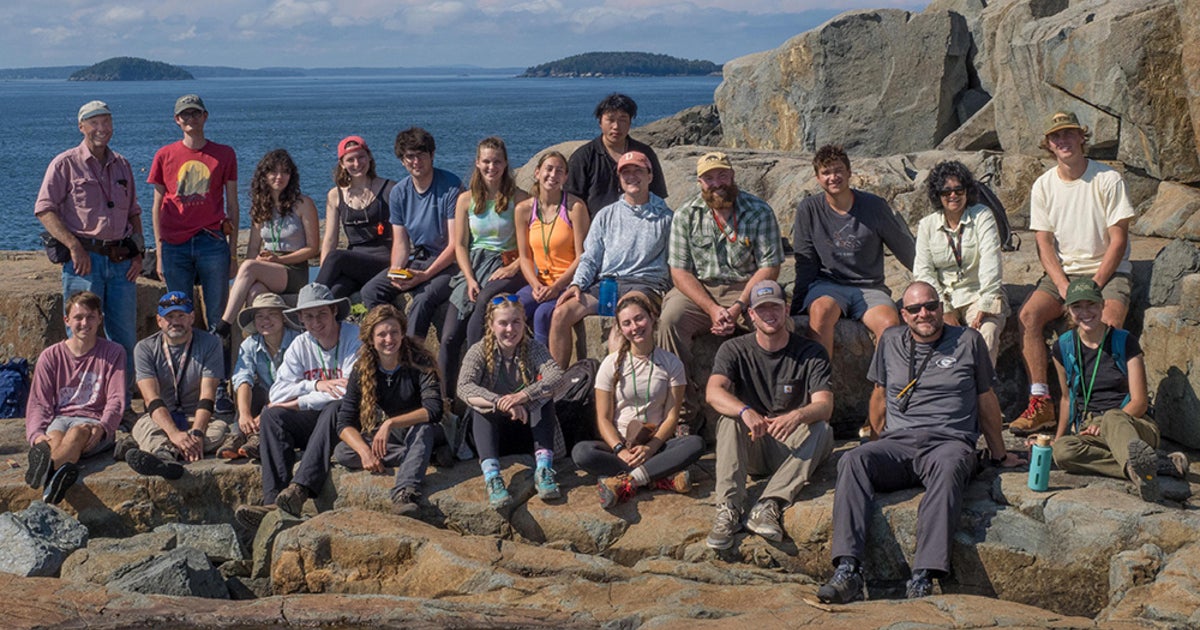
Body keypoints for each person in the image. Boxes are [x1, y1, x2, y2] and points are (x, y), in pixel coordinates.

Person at [817, 281, 1022, 604]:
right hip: (899, 442)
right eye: (914, 309)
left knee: (949, 466)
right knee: (853, 461)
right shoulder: (890, 340)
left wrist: (999, 454)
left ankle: (923, 574)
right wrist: (874, 443)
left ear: (941, 308)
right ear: (903, 314)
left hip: (949, 441)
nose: (923, 313)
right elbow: (880, 396)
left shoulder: (968, 341)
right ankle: (848, 569)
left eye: (930, 306)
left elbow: (986, 399)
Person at [1012, 111, 1137, 436]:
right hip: (1064, 276)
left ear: (1082, 137)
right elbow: (1043, 243)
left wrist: (1092, 288)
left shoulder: (1107, 179)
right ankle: (1041, 402)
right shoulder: (1043, 185)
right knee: (1028, 316)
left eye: (1069, 133)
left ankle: (1106, 411)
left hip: (1106, 274)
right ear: (1049, 145)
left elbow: (1119, 239)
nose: (1063, 141)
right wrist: (1064, 286)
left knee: (1107, 325)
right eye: (1056, 136)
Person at [274, 304, 446, 518]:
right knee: (344, 452)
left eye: (394, 332)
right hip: (395, 438)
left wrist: (390, 423)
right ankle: (424, 456)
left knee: (423, 431)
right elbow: (344, 421)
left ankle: (404, 492)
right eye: (381, 334)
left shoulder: (420, 361)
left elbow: (434, 410)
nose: (389, 339)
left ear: (402, 333)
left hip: (421, 427)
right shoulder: (364, 367)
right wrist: (365, 452)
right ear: (372, 340)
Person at [704, 280, 835, 550]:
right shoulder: (734, 349)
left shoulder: (811, 352)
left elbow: (825, 405)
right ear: (751, 314)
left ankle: (768, 504)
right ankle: (728, 508)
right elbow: (713, 392)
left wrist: (797, 416)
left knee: (823, 429)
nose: (769, 315)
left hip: (791, 447)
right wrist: (745, 411)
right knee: (728, 419)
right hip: (752, 444)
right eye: (762, 309)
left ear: (786, 310)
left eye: (774, 308)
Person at [659, 152, 783, 433]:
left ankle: (774, 407)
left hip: (747, 288)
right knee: (670, 320)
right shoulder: (685, 215)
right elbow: (679, 272)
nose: (717, 183)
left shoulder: (759, 211)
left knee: (774, 320)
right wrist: (712, 309)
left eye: (722, 175)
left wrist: (739, 306)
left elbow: (770, 267)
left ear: (733, 176)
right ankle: (683, 415)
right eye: (709, 178)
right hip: (700, 290)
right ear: (700, 182)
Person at [233, 283, 362, 528]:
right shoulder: (300, 344)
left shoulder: (353, 337)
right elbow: (278, 392)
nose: (315, 322)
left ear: (334, 311)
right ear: (300, 318)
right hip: (312, 418)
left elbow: (347, 391)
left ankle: (300, 489)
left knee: (334, 408)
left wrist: (300, 400)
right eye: (309, 316)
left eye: (321, 314)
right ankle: (273, 501)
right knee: (272, 415)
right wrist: (314, 386)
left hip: (347, 421)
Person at [1048, 279, 1189, 502]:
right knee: (1063, 453)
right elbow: (1067, 399)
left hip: (1132, 423)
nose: (1085, 312)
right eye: (1077, 306)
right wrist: (1058, 438)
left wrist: (1103, 422)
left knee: (1114, 417)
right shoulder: (1063, 347)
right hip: (1090, 430)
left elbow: (1140, 401)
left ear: (1102, 305)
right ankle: (1158, 465)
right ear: (1068, 310)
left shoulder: (1125, 342)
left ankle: (1138, 468)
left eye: (1091, 305)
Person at [34, 100, 143, 382]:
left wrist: (138, 253)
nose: (101, 128)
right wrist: (73, 246)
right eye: (94, 123)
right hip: (84, 262)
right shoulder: (65, 164)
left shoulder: (122, 165)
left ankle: (121, 401)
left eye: (106, 122)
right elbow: (45, 209)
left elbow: (133, 212)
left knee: (124, 338)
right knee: (81, 334)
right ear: (81, 127)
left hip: (121, 261)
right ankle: (81, 398)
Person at [571, 291, 703, 509]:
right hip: (618, 444)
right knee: (581, 453)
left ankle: (628, 481)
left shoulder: (672, 364)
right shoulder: (611, 364)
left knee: (695, 444)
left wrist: (651, 448)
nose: (635, 327)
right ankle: (659, 477)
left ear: (652, 318)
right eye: (627, 323)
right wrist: (619, 449)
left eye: (639, 318)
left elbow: (672, 415)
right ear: (621, 329)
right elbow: (603, 418)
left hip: (654, 443)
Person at [548, 151, 673, 368]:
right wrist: (578, 283)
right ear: (619, 179)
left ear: (650, 176)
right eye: (626, 173)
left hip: (644, 285)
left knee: (624, 320)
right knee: (560, 314)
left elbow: (674, 263)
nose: (632, 177)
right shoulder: (606, 215)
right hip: (607, 284)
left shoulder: (666, 217)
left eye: (638, 171)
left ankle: (617, 389)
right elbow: (590, 257)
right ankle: (553, 387)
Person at [791, 144, 915, 358]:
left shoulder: (874, 206)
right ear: (818, 178)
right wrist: (797, 307)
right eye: (826, 172)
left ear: (849, 172)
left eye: (838, 170)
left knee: (889, 324)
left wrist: (934, 284)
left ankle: (884, 389)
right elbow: (805, 262)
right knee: (820, 313)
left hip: (870, 287)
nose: (833, 177)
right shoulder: (809, 209)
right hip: (827, 285)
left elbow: (905, 250)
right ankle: (820, 387)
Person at [438, 137, 529, 399]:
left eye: (497, 161)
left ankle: (474, 387)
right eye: (486, 161)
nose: (492, 167)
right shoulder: (466, 199)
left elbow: (531, 244)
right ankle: (446, 401)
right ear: (478, 163)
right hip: (474, 265)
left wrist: (513, 267)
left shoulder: (520, 199)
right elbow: (461, 246)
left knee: (483, 306)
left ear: (505, 163)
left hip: (505, 264)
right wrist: (468, 278)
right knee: (449, 337)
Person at [457, 294, 564, 510]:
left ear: (524, 322)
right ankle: (493, 477)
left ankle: (543, 469)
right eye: (503, 323)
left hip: (525, 429)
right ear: (491, 325)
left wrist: (523, 396)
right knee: (480, 407)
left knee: (544, 399)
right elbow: (463, 387)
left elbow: (556, 376)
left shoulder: (534, 348)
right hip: (492, 432)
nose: (510, 329)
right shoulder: (478, 351)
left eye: (516, 322)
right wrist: (499, 402)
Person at [360, 127, 463, 340]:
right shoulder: (399, 192)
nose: (416, 162)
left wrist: (425, 276)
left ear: (432, 155)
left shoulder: (451, 187)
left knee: (423, 298)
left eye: (421, 155)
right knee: (371, 291)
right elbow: (400, 243)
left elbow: (455, 246)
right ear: (402, 160)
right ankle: (390, 338)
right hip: (419, 258)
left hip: (450, 264)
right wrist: (397, 271)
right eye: (410, 157)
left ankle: (413, 355)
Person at [24, 291, 126, 504]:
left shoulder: (114, 352)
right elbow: (39, 402)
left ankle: (44, 471)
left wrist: (104, 426)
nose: (84, 323)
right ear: (67, 320)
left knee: (77, 432)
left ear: (100, 318)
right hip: (61, 419)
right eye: (78, 317)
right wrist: (36, 435)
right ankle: (53, 483)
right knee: (55, 439)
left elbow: (116, 398)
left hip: (93, 421)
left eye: (90, 316)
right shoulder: (51, 355)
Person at [148, 94, 238, 329]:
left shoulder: (225, 154)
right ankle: (184, 364)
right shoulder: (164, 155)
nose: (191, 118)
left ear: (205, 116)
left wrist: (233, 253)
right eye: (185, 114)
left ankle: (219, 364)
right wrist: (159, 253)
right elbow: (157, 206)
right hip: (174, 245)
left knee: (218, 317)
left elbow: (233, 204)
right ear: (176, 119)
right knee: (178, 313)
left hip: (212, 241)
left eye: (195, 113)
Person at [121, 291, 229, 480]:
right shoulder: (144, 348)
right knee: (143, 425)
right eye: (169, 316)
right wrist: (174, 434)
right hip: (162, 418)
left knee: (220, 430)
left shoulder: (211, 343)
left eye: (181, 315)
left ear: (192, 317)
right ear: (159, 321)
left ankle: (164, 452)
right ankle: (168, 454)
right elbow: (151, 398)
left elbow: (207, 395)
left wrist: (196, 433)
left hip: (195, 416)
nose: (175, 321)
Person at [213, 149, 319, 335]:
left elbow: (312, 248)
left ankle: (223, 326)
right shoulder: (261, 206)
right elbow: (253, 247)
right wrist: (245, 278)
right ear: (264, 175)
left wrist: (277, 261)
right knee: (254, 292)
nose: (279, 177)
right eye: (274, 172)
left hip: (293, 269)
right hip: (268, 266)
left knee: (248, 268)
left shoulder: (303, 203)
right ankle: (257, 343)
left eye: (285, 172)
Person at [913, 161, 1007, 365]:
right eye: (946, 192)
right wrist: (942, 308)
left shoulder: (982, 215)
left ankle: (982, 391)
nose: (953, 195)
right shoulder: (927, 225)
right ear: (938, 195)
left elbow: (991, 260)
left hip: (978, 292)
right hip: (943, 297)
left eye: (958, 189)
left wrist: (986, 304)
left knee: (987, 335)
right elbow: (923, 271)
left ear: (967, 191)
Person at [513, 151, 590, 345]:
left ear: (565, 177)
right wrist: (535, 285)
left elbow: (583, 256)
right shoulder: (523, 210)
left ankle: (544, 372)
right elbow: (525, 257)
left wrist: (556, 287)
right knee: (509, 309)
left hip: (567, 283)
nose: (553, 175)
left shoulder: (575, 208)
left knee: (542, 315)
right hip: (539, 283)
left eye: (559, 171)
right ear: (537, 172)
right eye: (549, 169)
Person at [215, 292, 301, 460]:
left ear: (283, 317)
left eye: (272, 315)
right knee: (252, 390)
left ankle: (258, 438)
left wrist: (267, 411)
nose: (265, 321)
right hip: (266, 397)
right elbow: (242, 378)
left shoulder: (297, 341)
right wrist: (245, 414)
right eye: (260, 316)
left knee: (272, 405)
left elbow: (297, 384)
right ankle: (238, 434)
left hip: (292, 400)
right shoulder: (250, 344)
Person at [315, 135, 395, 299]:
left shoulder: (389, 189)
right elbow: (330, 239)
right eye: (350, 160)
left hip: (382, 261)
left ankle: (306, 301)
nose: (357, 164)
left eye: (361, 157)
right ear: (342, 164)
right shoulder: (335, 195)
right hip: (353, 264)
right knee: (333, 294)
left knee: (337, 256)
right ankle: (310, 317)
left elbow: (402, 232)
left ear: (369, 157)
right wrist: (326, 272)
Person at [566, 93, 668, 216]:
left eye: (623, 120)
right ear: (600, 122)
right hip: (596, 229)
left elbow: (657, 195)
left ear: (630, 122)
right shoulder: (583, 157)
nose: (616, 126)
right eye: (610, 120)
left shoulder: (644, 153)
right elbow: (572, 200)